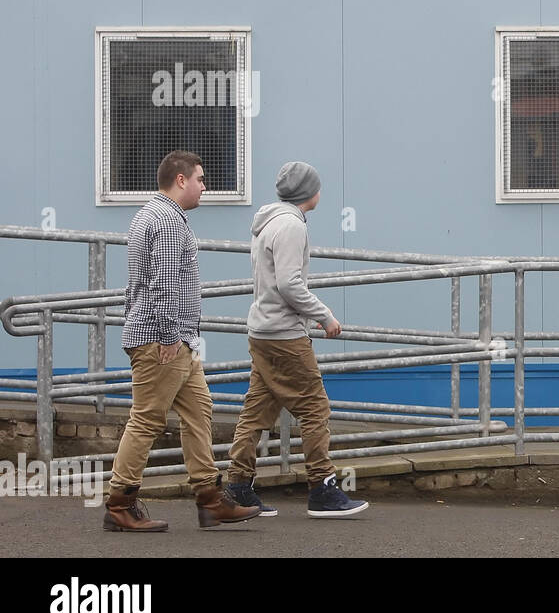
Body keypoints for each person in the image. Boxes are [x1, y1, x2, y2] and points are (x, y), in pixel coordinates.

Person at [104, 150, 262, 531]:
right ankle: (119, 505)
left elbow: (136, 284)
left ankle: (210, 499)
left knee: (199, 410)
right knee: (146, 420)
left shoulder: (146, 214)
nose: (204, 187)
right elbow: (164, 284)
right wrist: (169, 334)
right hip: (166, 340)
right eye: (200, 179)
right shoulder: (170, 222)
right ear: (180, 180)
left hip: (173, 338)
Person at [224, 161, 368, 518]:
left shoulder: (268, 222)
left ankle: (238, 487)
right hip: (286, 334)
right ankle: (322, 488)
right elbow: (290, 284)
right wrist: (324, 315)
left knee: (257, 410)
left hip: (262, 332)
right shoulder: (291, 226)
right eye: (319, 187)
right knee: (315, 408)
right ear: (309, 192)